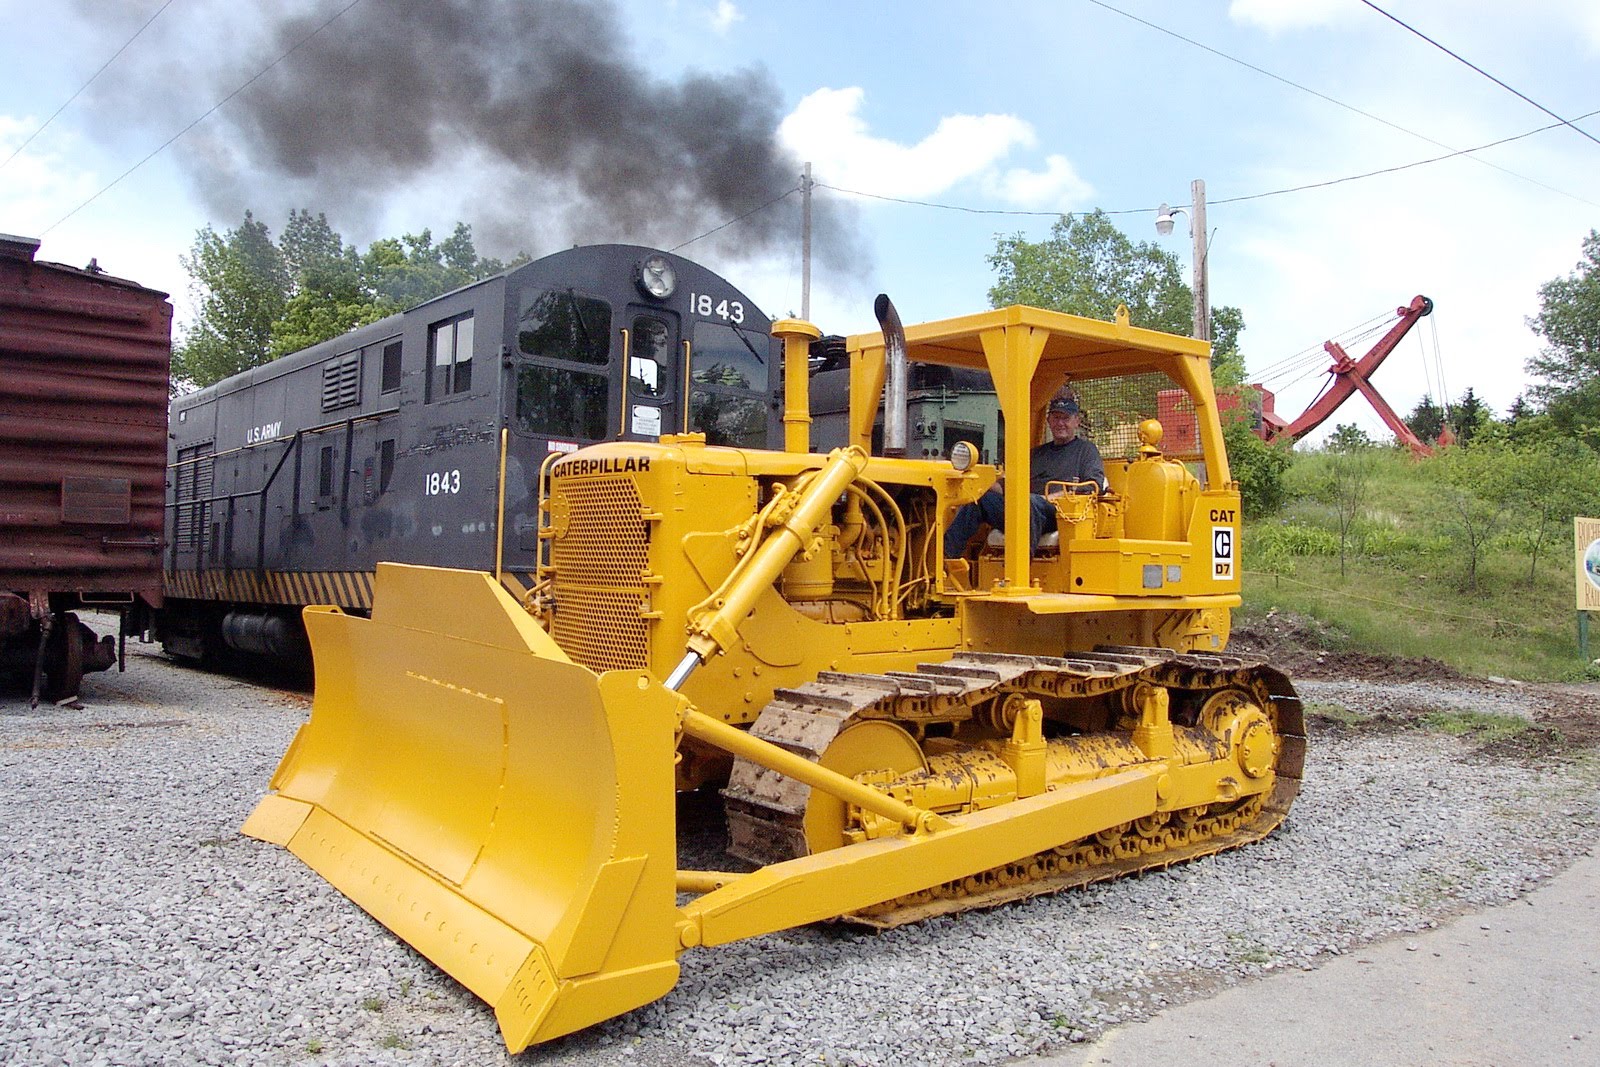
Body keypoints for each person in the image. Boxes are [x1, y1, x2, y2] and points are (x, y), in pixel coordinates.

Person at [943, 396, 1106, 573]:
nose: (1060, 423)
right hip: (1022, 508)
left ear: (1076, 421)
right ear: (1049, 421)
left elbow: (1092, 486)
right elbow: (1006, 486)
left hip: (1059, 514)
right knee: (980, 499)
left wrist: (1050, 498)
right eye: (1056, 418)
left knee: (1030, 502)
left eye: (1065, 418)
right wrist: (980, 480)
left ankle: (1017, 571)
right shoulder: (1036, 454)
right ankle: (945, 558)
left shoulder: (1086, 451)